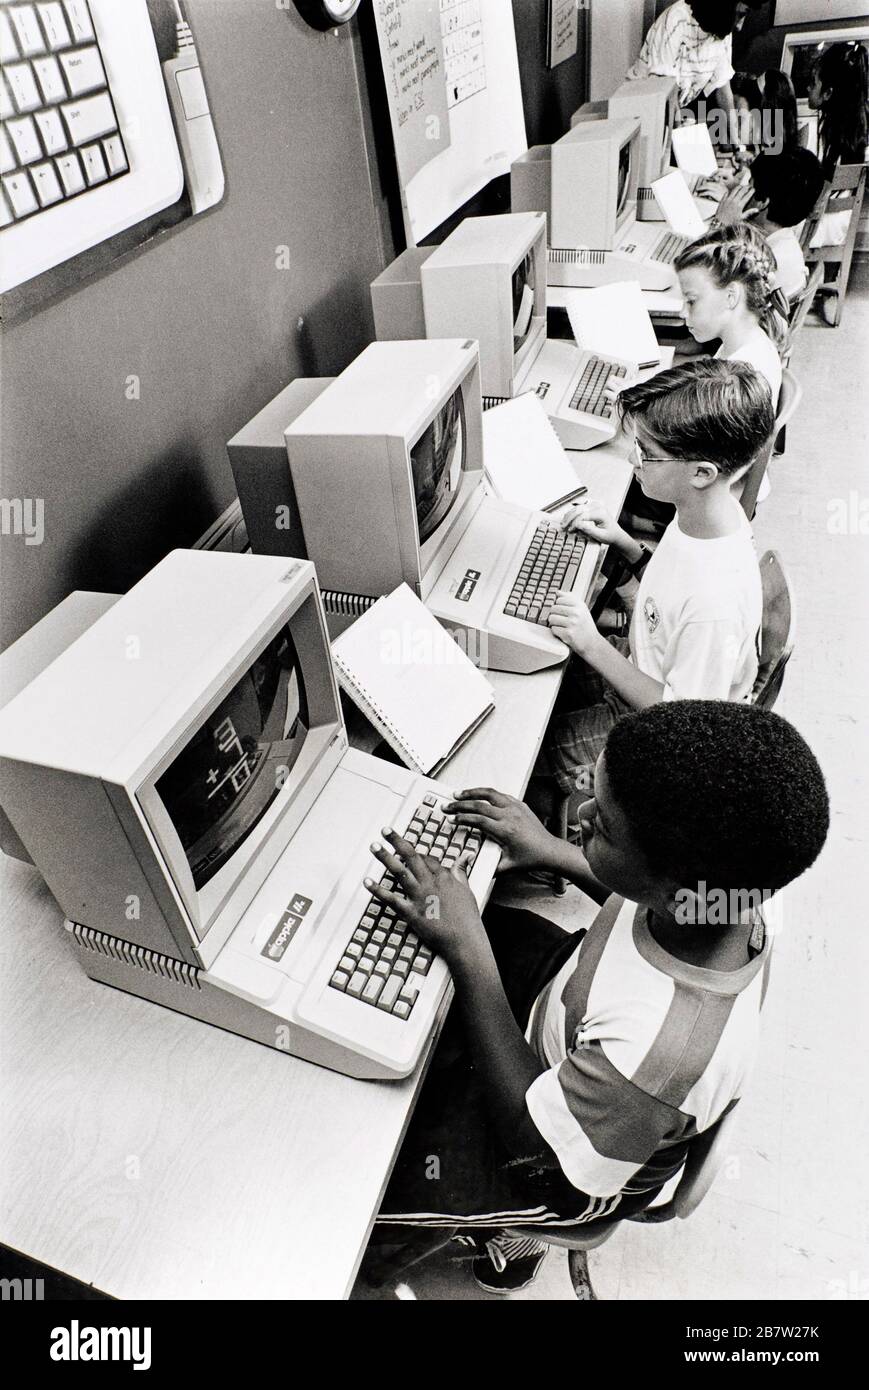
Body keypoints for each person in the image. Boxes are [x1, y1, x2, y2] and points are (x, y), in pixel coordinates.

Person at [365, 701, 829, 1293]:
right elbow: (638, 895)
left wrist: (469, 953)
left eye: (601, 825)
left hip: (555, 1162)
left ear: (674, 885)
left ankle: (461, 1245)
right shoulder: (725, 902)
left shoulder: (656, 1056)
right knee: (468, 927)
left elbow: (536, 1151)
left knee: (380, 1179)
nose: (578, 813)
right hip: (572, 1018)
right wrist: (549, 850)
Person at [527, 358, 771, 816]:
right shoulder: (705, 513)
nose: (630, 458)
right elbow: (672, 585)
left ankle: (545, 853)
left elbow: (681, 717)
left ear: (701, 471)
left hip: (655, 729)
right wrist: (624, 544)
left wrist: (591, 643)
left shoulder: (714, 603)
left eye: (644, 451)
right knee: (541, 674)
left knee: (532, 744)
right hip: (642, 656)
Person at [674, 221, 787, 400]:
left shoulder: (737, 380)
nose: (683, 313)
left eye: (691, 301)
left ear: (730, 296)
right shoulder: (744, 344)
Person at [715, 146, 825, 298]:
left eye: (749, 185)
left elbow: (704, 281)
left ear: (763, 202)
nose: (744, 189)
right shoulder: (784, 242)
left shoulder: (757, 263)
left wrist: (719, 226)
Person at [808, 41, 869, 179]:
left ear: (828, 93)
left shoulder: (831, 135)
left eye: (813, 82)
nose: (808, 88)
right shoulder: (857, 127)